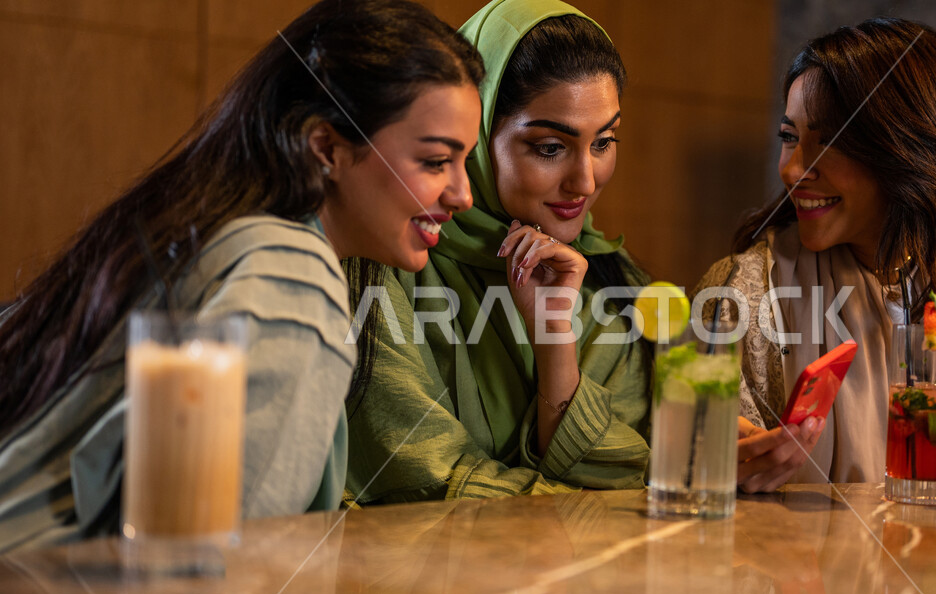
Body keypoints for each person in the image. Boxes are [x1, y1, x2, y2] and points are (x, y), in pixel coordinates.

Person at [0, 0, 484, 551]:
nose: (462, 194)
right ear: (327, 147)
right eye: (435, 161)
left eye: (465, 160)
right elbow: (197, 573)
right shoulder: (292, 284)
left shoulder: (212, 224)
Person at [695, 18, 936, 490]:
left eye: (829, 141)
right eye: (790, 137)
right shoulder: (746, 287)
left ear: (910, 150)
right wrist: (725, 464)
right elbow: (712, 472)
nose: (793, 170)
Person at [345, 0, 652, 503]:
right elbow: (422, 481)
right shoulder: (383, 264)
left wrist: (557, 347)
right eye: (550, 148)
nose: (585, 180)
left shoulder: (613, 283)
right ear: (478, 136)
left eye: (604, 142)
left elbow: (622, 478)